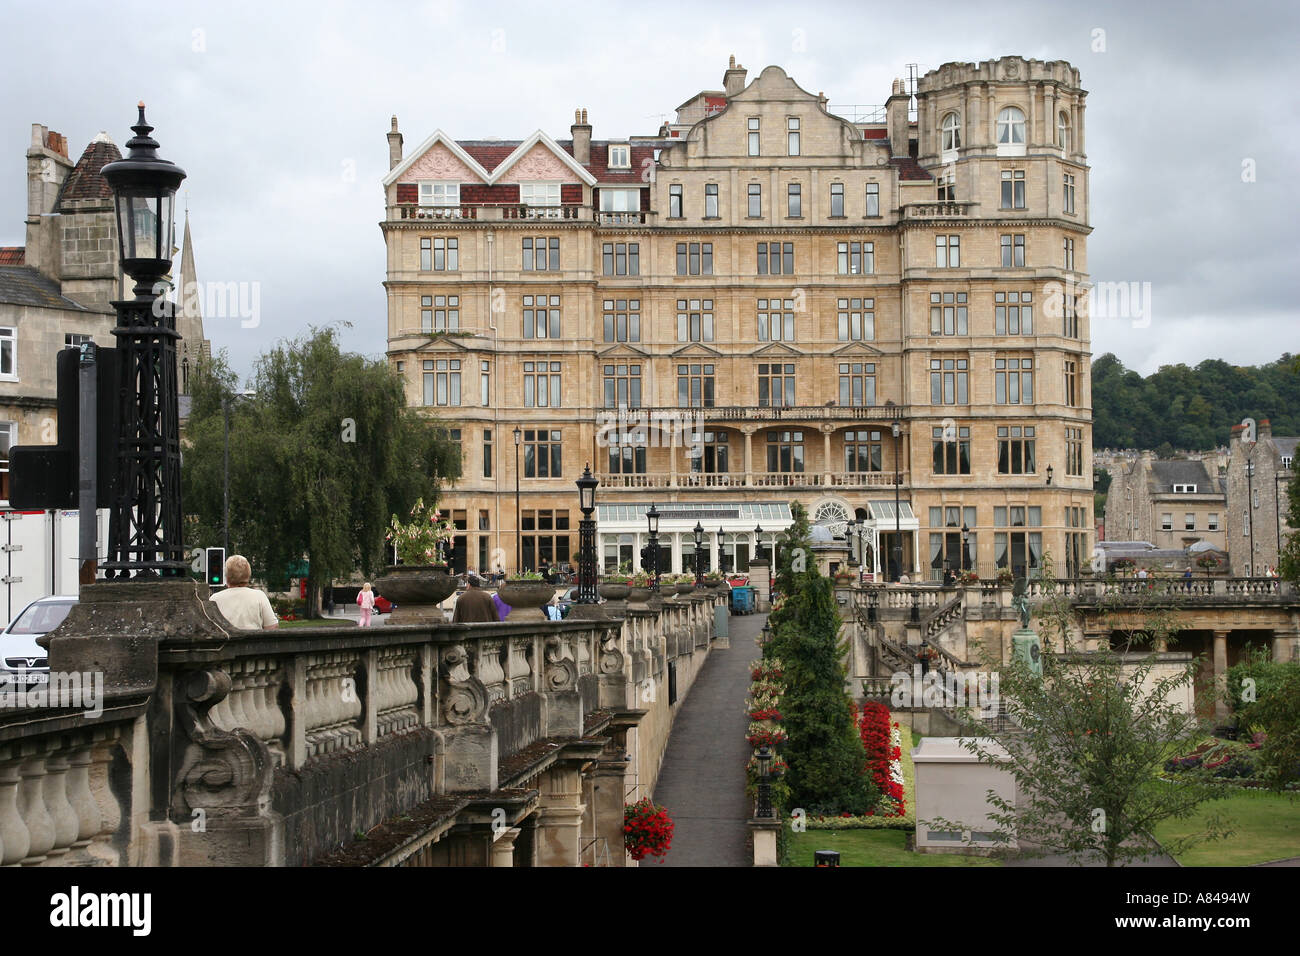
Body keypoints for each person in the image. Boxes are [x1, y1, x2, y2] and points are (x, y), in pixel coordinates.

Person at [210, 555, 278, 630]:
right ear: (248, 574)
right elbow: (272, 626)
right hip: (253, 640)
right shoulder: (259, 596)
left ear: (226, 575)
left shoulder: (214, 598)